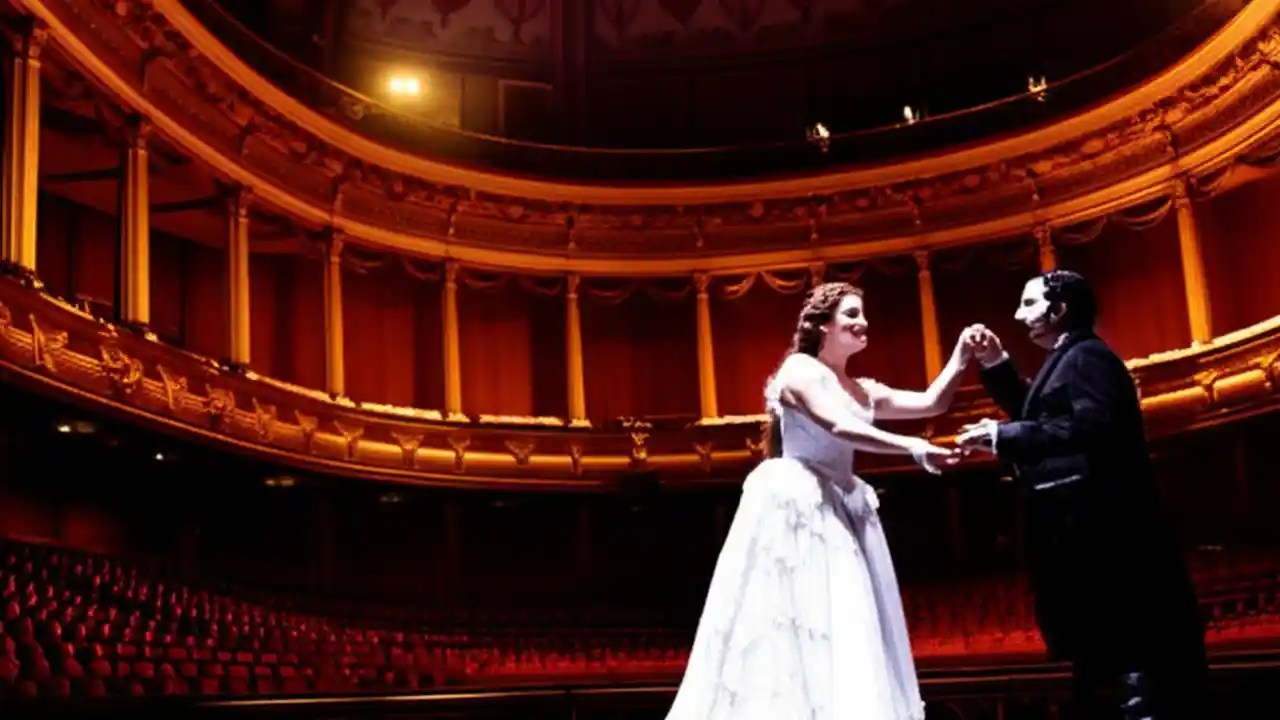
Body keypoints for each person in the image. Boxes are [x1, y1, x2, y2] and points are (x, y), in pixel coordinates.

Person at [667, 281, 973, 720]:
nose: (862, 322)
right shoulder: (799, 370)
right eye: (850, 314)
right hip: (801, 503)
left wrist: (961, 355)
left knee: (850, 621)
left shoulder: (862, 389)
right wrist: (913, 448)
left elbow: (931, 402)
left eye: (863, 314)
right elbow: (838, 426)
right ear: (822, 325)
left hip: (843, 504)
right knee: (794, 621)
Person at [956, 269, 1207, 720]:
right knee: (1104, 668)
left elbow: (1091, 425)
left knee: (1130, 669)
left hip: (1109, 542)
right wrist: (996, 365)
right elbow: (1043, 412)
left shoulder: (1086, 356)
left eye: (1029, 304)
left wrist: (1005, 436)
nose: (1018, 314)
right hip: (1093, 541)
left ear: (1061, 309)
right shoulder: (1071, 356)